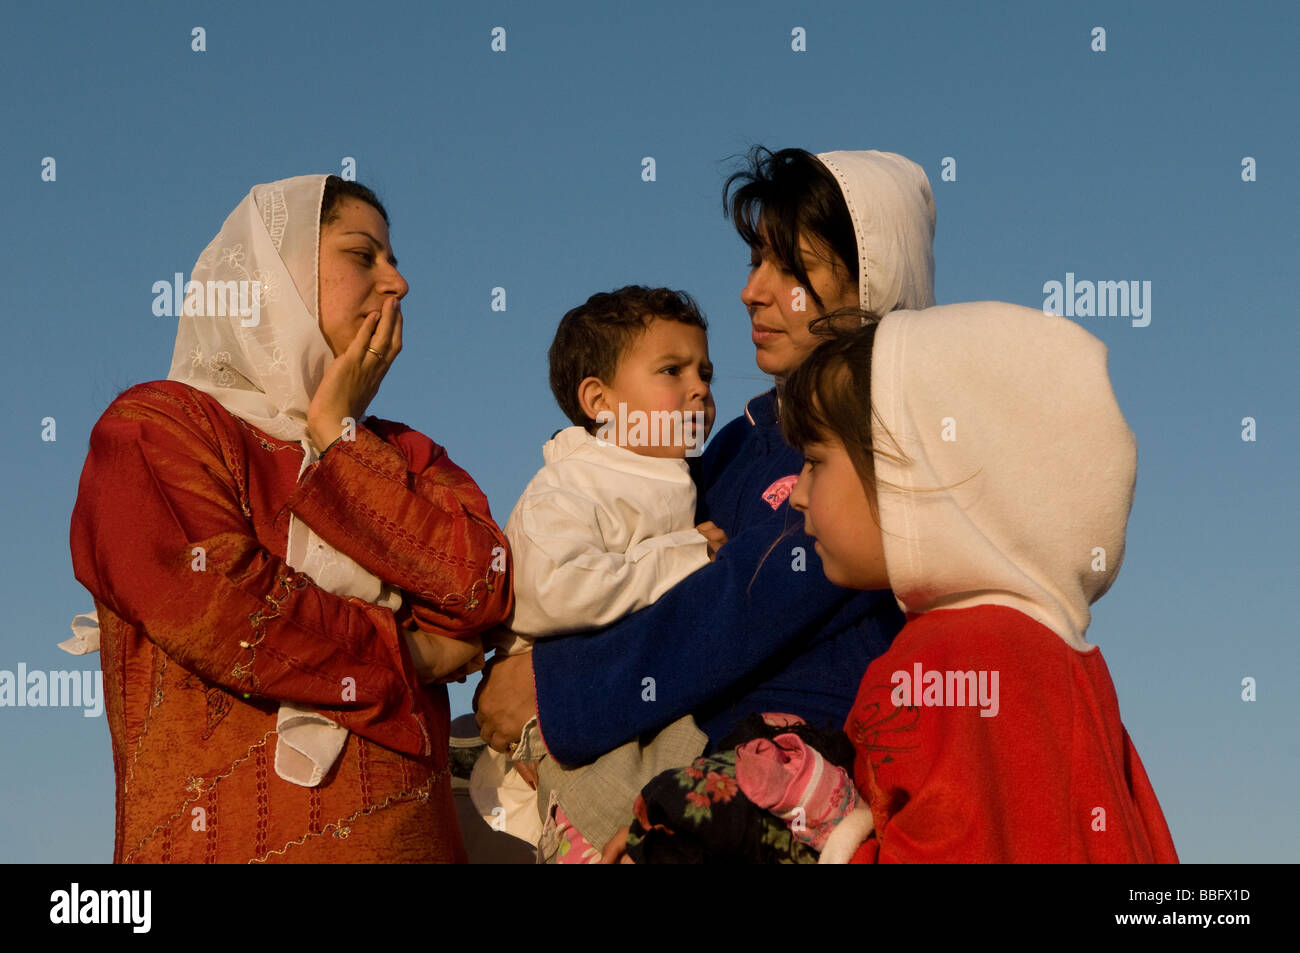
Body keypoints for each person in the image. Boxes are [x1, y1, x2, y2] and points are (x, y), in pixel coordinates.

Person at [68, 174, 512, 863]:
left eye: (393, 259)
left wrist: (339, 438)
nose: (398, 283)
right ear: (271, 276)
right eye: (364, 256)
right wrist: (412, 654)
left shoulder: (405, 454)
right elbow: (219, 604)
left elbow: (481, 586)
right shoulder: (159, 427)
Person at [475, 149, 937, 800]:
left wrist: (557, 689)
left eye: (791, 266)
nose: (752, 290)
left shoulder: (885, 430)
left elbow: (753, 598)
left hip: (813, 792)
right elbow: (644, 582)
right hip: (689, 785)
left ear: (874, 281)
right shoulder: (727, 448)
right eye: (755, 261)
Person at [768, 304, 1176, 862]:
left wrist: (821, 836)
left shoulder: (943, 657)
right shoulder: (1050, 656)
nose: (795, 491)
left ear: (912, 468)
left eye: (815, 459)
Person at [471, 286, 721, 861]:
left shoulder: (678, 480)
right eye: (671, 370)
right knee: (596, 827)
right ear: (599, 400)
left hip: (630, 706)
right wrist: (685, 556)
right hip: (562, 720)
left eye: (704, 371)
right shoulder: (570, 486)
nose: (700, 388)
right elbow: (555, 591)